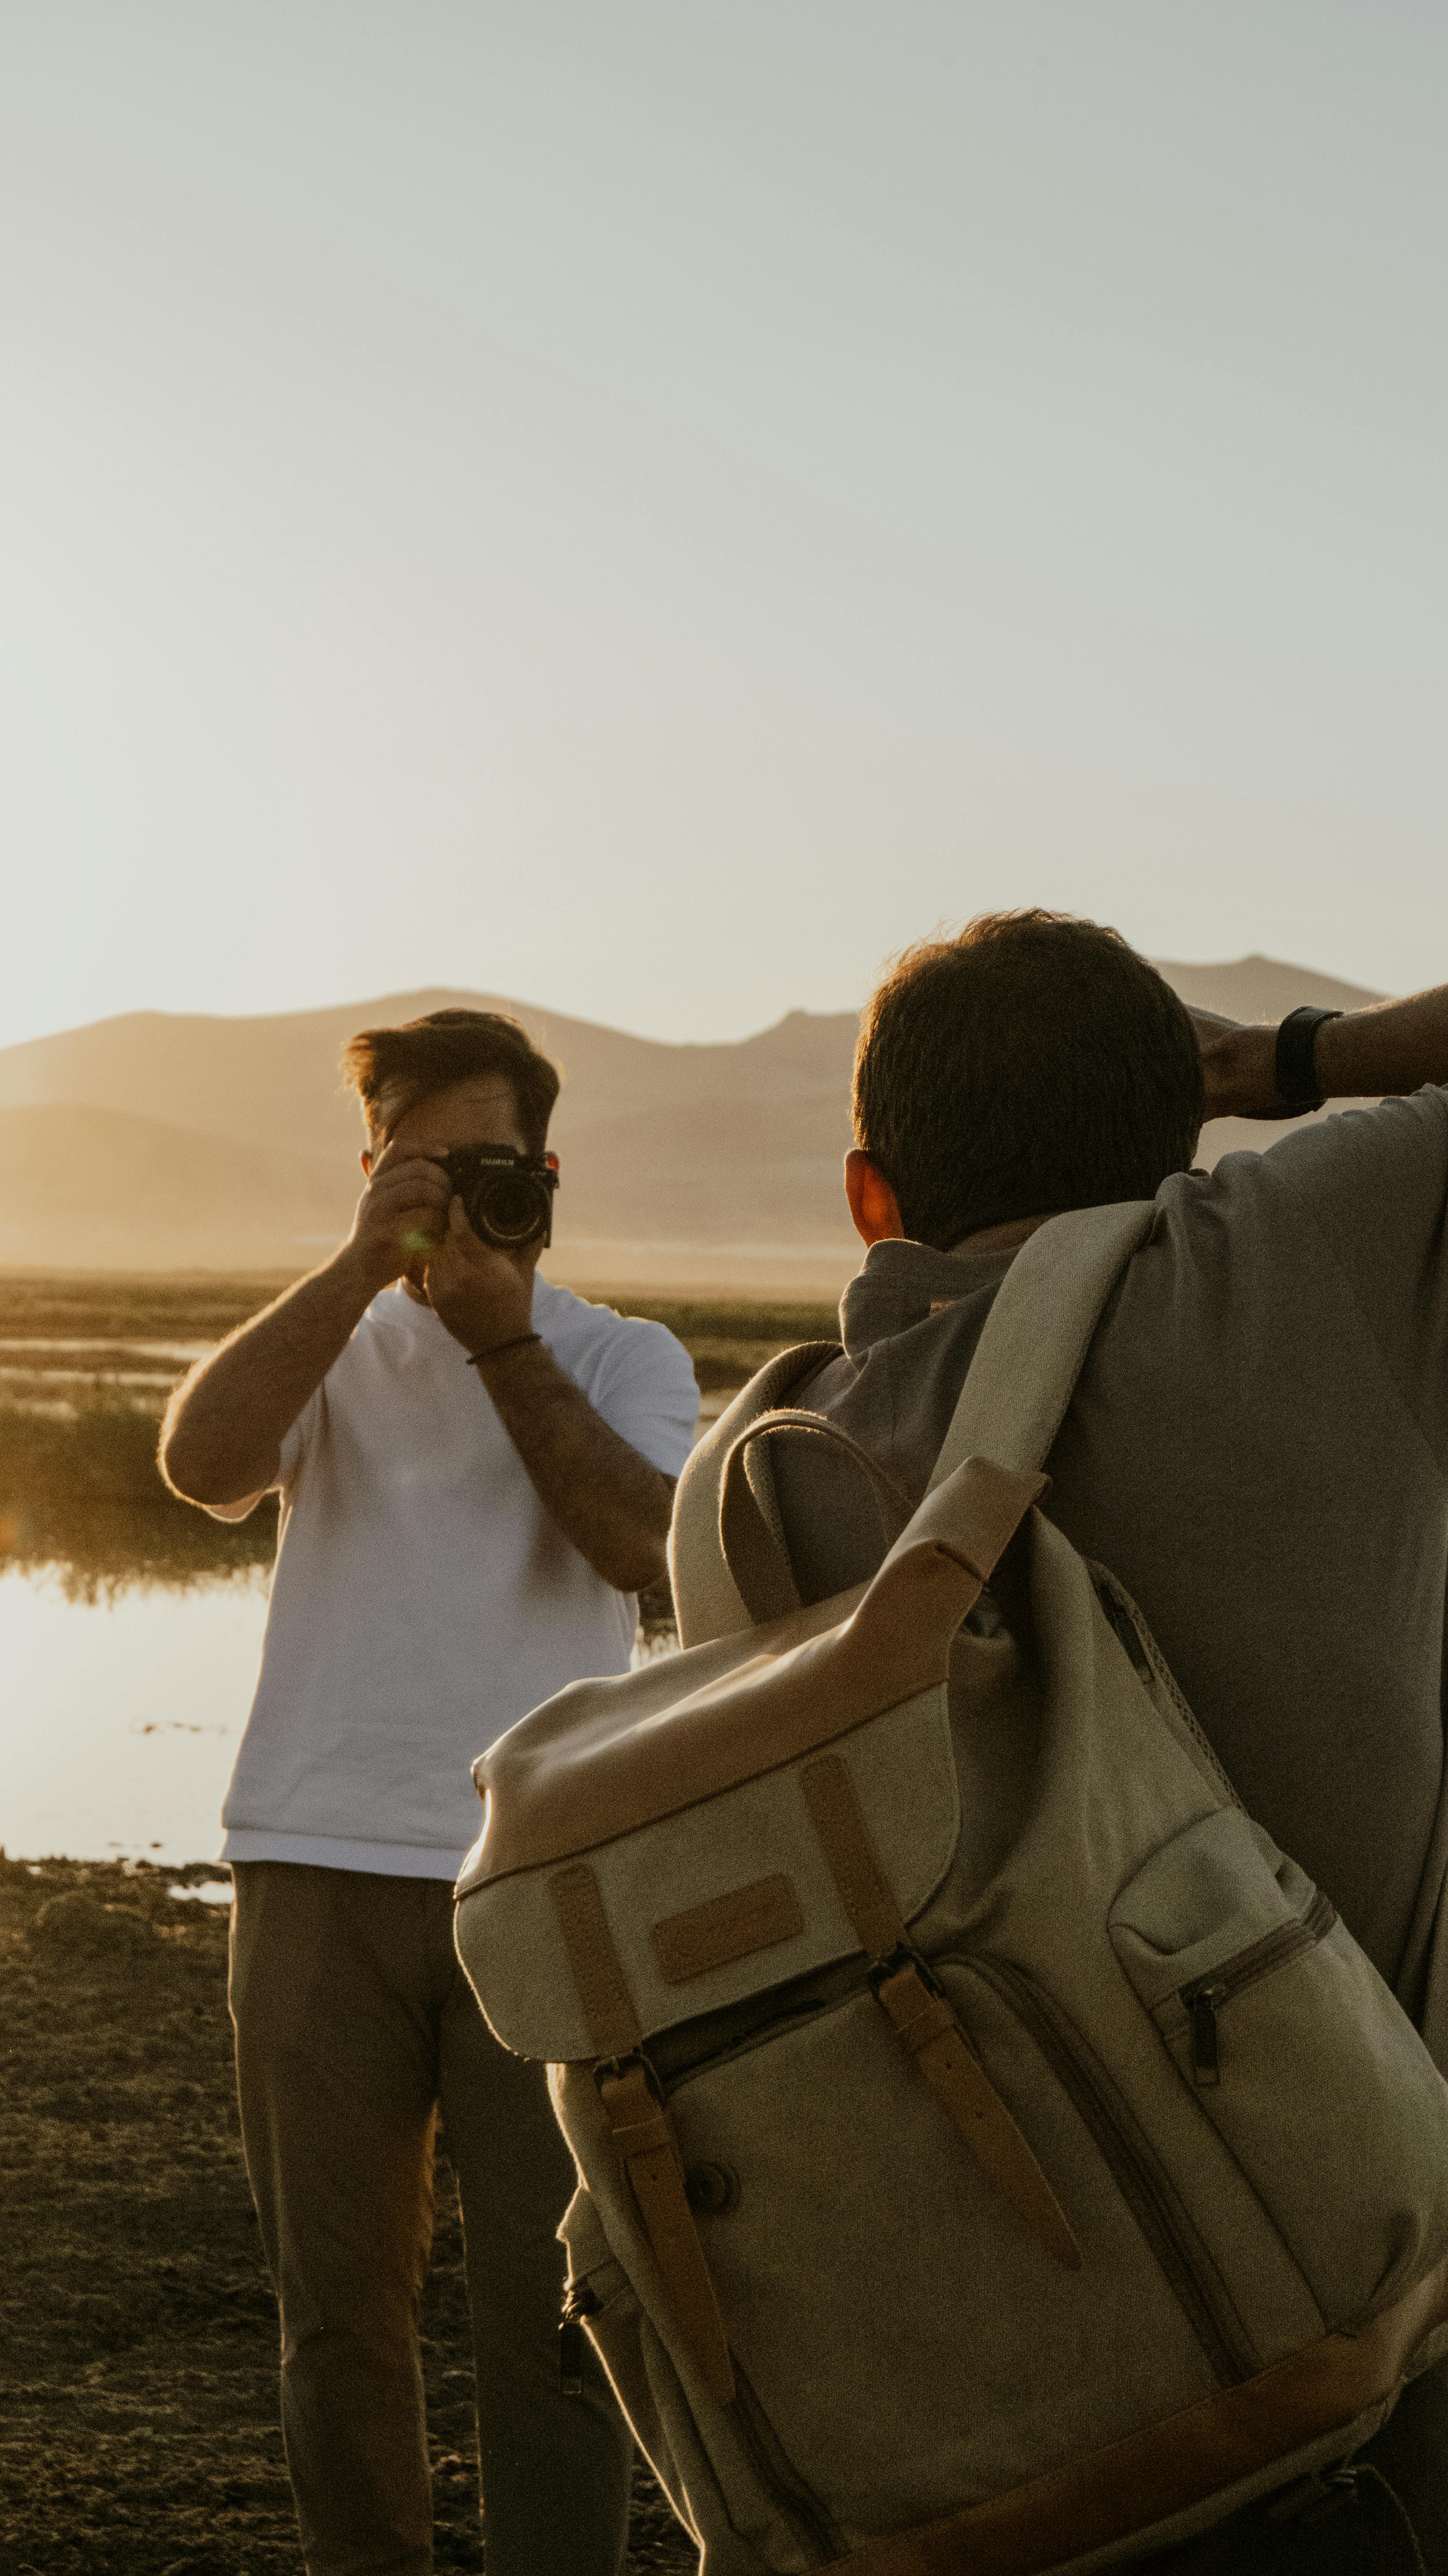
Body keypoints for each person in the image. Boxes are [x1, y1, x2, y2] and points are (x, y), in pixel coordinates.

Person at [763, 913, 1448, 2576]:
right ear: (1180, 1143)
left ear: (870, 1195)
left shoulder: (757, 1478)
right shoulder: (1297, 1260)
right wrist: (1278, 1064)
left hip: (1037, 2478)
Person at [160, 1006, 700, 2576]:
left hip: (546, 1882)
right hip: (312, 1864)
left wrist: (499, 1334)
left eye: (491, 1166)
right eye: (422, 1161)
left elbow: (640, 1547)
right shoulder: (335, 1342)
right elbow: (201, 1463)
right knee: (336, 2319)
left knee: (562, 2319)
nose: (461, 1194)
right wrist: (355, 1269)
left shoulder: (621, 1354)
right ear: (373, 1164)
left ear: (546, 1170)